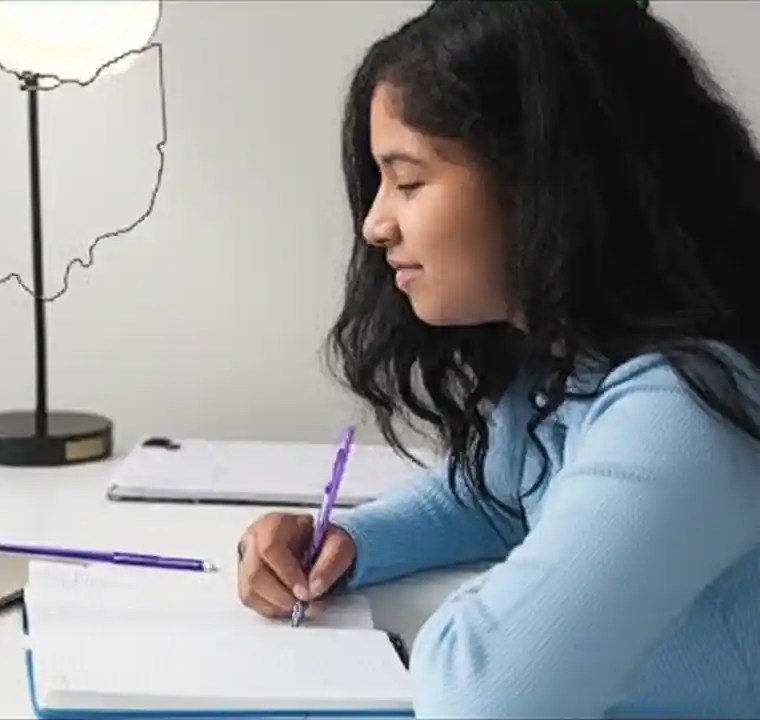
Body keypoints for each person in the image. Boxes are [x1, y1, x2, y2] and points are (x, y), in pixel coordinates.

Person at [236, 1, 760, 717]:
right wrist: (347, 543)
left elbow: (489, 694)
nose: (375, 223)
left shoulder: (685, 409)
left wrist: (498, 609)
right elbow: (497, 490)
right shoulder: (572, 364)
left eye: (409, 180)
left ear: (544, 181)